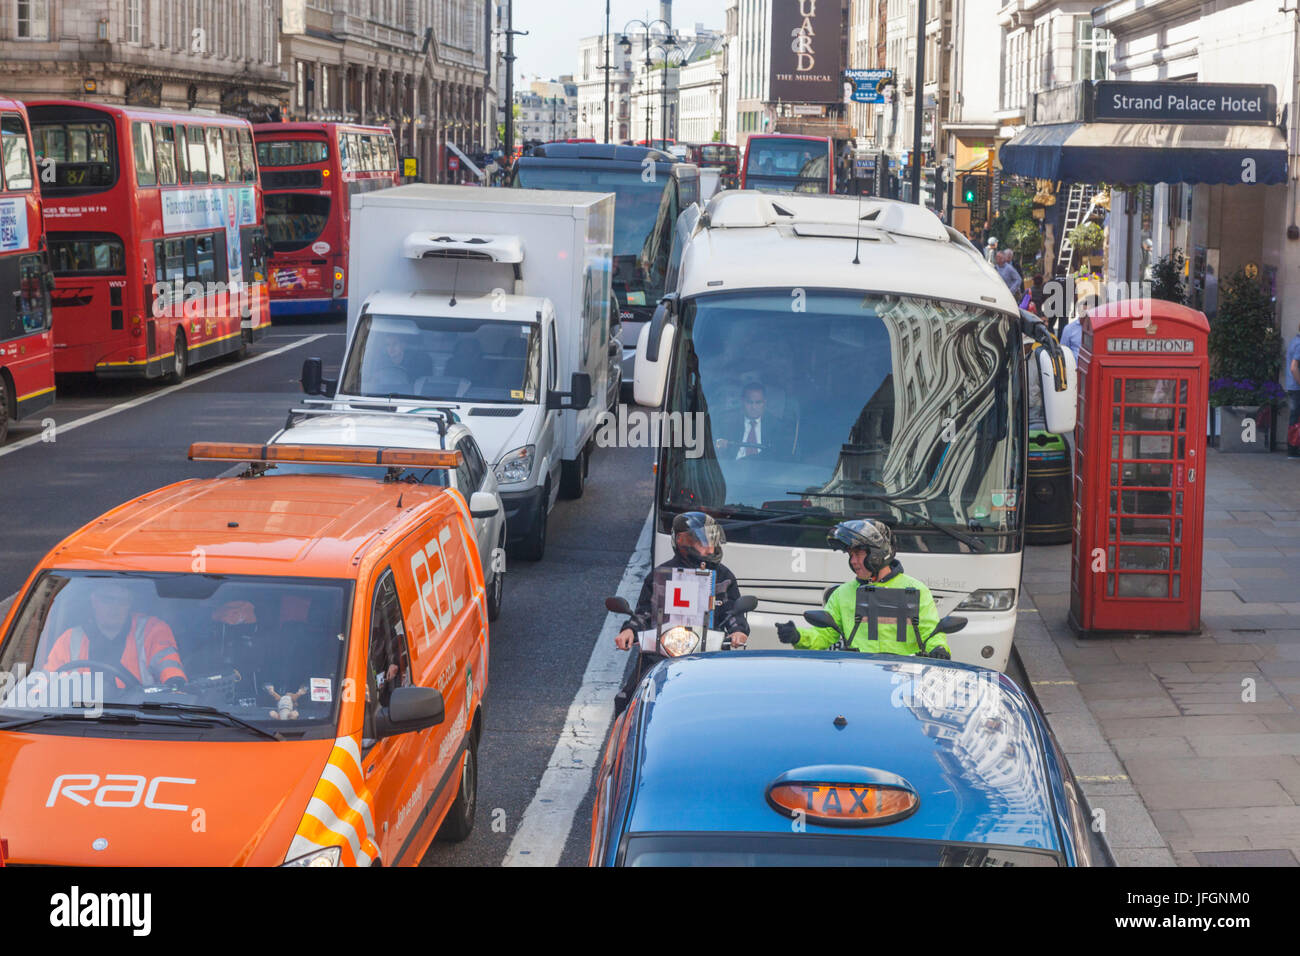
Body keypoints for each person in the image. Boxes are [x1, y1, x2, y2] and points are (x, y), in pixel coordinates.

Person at [613, 512, 750, 712]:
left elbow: (731, 612)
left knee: (733, 704)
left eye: (712, 541)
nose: (710, 547)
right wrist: (629, 631)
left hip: (711, 655)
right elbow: (644, 612)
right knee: (626, 699)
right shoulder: (660, 575)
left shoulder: (724, 577)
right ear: (683, 541)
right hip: (662, 654)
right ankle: (625, 742)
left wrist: (737, 631)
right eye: (703, 542)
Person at [775, 519, 949, 659]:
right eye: (851, 555)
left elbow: (932, 632)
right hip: (860, 675)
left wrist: (939, 648)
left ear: (877, 553)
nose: (853, 561)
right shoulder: (842, 594)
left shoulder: (916, 589)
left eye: (858, 554)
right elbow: (824, 636)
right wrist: (798, 637)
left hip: (905, 676)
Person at [41, 580, 187, 689]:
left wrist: (174, 684)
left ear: (130, 604)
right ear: (94, 600)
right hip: (77, 718)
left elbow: (170, 670)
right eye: (108, 599)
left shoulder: (153, 630)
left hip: (139, 718)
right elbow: (44, 685)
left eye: (123, 601)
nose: (115, 607)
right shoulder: (69, 639)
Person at [713, 382, 795, 459]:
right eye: (749, 402)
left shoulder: (777, 426)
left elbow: (783, 456)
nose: (754, 407)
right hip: (731, 470)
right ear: (742, 401)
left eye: (758, 402)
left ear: (765, 402)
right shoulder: (726, 422)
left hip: (767, 471)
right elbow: (712, 448)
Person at [1286, 326, 1300, 459]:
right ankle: (1293, 449)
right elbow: (1294, 368)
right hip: (1297, 387)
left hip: (1292, 386)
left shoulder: (1294, 341)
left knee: (1294, 418)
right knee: (1296, 419)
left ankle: (1292, 448)